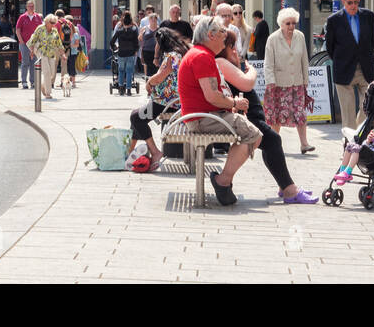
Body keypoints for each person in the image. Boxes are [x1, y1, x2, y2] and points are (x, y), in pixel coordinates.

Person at [215, 25, 317, 204]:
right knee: (273, 141)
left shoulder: (227, 62)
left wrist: (239, 64)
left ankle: (285, 186)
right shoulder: (221, 62)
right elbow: (246, 83)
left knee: (271, 142)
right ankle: (289, 190)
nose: (235, 49)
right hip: (246, 116)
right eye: (232, 45)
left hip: (249, 114)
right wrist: (252, 70)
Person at [177, 16, 261, 206]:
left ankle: (224, 181)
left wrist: (232, 105)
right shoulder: (202, 56)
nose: (226, 35)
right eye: (223, 31)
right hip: (201, 119)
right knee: (254, 135)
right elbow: (212, 96)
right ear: (210, 35)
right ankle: (223, 181)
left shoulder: (199, 54)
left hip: (201, 116)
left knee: (251, 132)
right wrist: (235, 104)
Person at [127, 27, 188, 170]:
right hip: (170, 99)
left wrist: (149, 83)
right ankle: (129, 152)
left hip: (167, 101)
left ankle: (155, 152)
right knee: (136, 115)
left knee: (136, 118)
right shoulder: (178, 54)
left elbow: (161, 76)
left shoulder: (171, 56)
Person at [262, 7, 314, 153]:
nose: (291, 26)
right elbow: (268, 63)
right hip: (278, 84)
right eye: (288, 24)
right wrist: (270, 82)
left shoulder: (300, 36)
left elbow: (304, 59)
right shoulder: (272, 39)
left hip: (297, 82)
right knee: (277, 115)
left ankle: (304, 144)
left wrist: (305, 80)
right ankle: (274, 144)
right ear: (281, 24)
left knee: (300, 113)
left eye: (293, 23)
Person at [324, 0, 374, 128]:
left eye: (355, 2)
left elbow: (371, 41)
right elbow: (330, 47)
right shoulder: (333, 20)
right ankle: (349, 144)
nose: (353, 6)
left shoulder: (368, 16)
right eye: (349, 3)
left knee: (369, 106)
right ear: (343, 2)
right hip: (343, 69)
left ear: (359, 1)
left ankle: (359, 133)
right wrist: (341, 60)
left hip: (366, 68)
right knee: (347, 112)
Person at [335, 107, 374, 184]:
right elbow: (365, 145)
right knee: (349, 146)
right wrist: (368, 141)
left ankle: (347, 172)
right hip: (369, 152)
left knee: (356, 149)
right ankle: (342, 170)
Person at [29, 14, 64, 99]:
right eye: (52, 22)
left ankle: (42, 85)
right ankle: (48, 93)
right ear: (47, 22)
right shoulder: (40, 28)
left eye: (54, 23)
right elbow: (33, 40)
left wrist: (63, 54)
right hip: (41, 52)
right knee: (47, 71)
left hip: (51, 53)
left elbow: (59, 43)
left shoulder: (55, 31)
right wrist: (32, 51)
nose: (53, 24)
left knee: (52, 73)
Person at [15, 0, 42, 90]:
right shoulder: (22, 17)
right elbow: (18, 30)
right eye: (29, 6)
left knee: (34, 63)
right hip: (24, 44)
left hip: (34, 44)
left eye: (32, 6)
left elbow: (40, 31)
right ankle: (24, 82)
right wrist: (21, 41)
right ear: (26, 7)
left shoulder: (38, 17)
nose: (31, 7)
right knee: (25, 62)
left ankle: (33, 81)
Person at [110, 12, 139, 94]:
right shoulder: (133, 31)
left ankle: (121, 87)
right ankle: (129, 89)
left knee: (121, 70)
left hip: (121, 53)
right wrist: (136, 50)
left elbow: (112, 42)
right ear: (130, 21)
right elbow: (136, 42)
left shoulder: (119, 31)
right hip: (130, 53)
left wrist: (115, 48)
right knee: (129, 71)